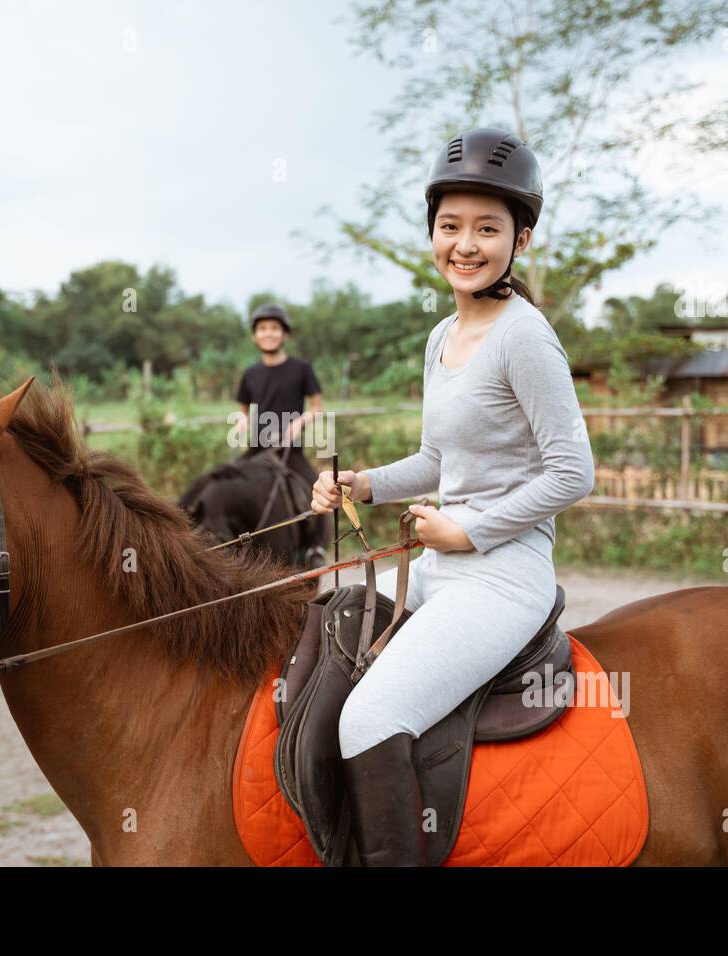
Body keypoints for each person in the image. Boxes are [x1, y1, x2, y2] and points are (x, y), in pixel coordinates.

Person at [310, 127, 596, 866]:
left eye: (487, 229)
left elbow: (574, 472)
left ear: (521, 240)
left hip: (501, 577)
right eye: (450, 227)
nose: (465, 244)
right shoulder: (443, 335)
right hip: (440, 566)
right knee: (311, 638)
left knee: (370, 717)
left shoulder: (524, 338)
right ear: (432, 234)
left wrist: (469, 532)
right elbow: (441, 459)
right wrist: (363, 485)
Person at [233, 304, 330, 559]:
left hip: (290, 450)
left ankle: (314, 547)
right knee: (225, 483)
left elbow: (317, 407)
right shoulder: (250, 373)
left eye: (275, 328)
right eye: (263, 329)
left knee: (313, 489)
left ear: (285, 334)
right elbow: (242, 409)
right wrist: (241, 421)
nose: (269, 333)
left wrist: (300, 422)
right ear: (255, 336)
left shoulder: (301, 369)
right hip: (257, 448)